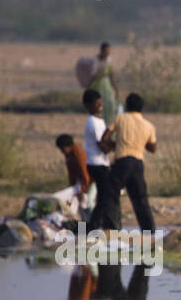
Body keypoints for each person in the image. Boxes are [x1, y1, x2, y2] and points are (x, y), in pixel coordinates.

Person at [101, 92, 157, 233]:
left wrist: (116, 145)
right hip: (138, 163)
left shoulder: (121, 118)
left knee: (111, 193)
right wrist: (138, 143)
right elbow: (152, 147)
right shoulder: (148, 125)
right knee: (140, 198)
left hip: (122, 162)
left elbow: (105, 137)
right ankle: (149, 230)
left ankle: (112, 228)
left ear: (126, 106)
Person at [82, 88, 118, 230]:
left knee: (104, 196)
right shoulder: (93, 122)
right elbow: (102, 145)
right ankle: (94, 226)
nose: (100, 105)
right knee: (105, 197)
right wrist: (117, 146)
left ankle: (96, 224)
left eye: (100, 102)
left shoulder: (99, 121)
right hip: (96, 163)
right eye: (97, 103)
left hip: (100, 162)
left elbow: (105, 141)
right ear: (88, 105)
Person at [75, 42, 119, 124]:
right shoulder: (95, 62)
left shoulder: (108, 61)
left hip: (107, 90)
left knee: (110, 108)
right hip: (97, 88)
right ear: (102, 50)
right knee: (97, 108)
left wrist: (115, 89)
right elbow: (93, 77)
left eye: (109, 51)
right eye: (106, 51)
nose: (107, 53)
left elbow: (111, 76)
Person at [52, 134, 91, 221]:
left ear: (68, 146)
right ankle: (82, 232)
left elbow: (85, 174)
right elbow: (72, 175)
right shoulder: (69, 155)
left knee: (83, 207)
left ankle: (85, 231)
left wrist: (82, 190)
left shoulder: (78, 155)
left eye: (62, 149)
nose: (62, 152)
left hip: (83, 186)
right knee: (76, 209)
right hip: (77, 186)